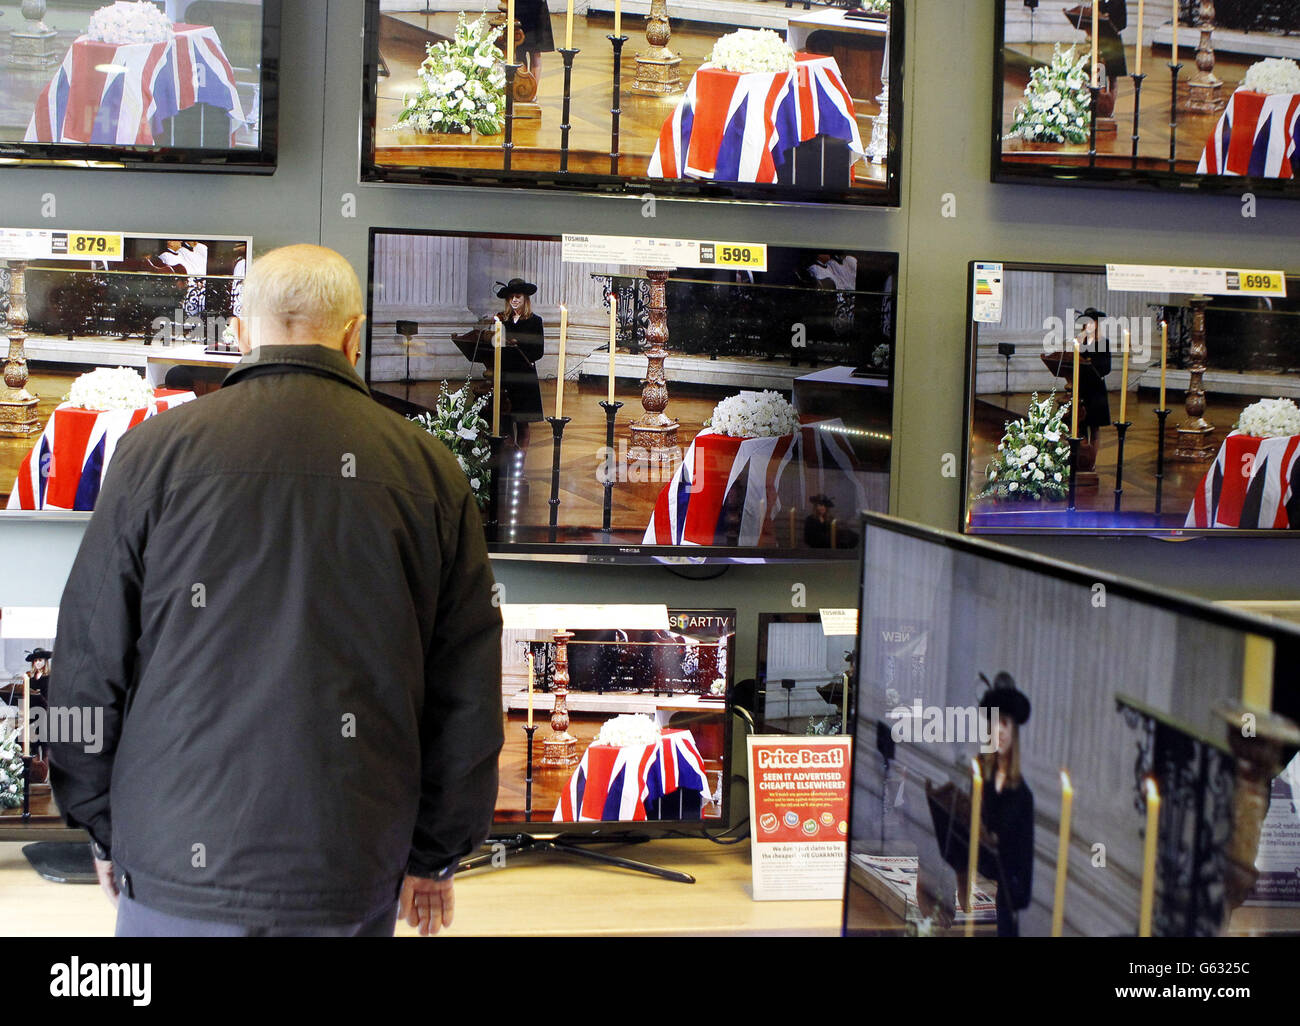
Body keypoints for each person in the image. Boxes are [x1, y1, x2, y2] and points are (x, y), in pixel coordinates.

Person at [49, 244, 504, 937]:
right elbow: (468, 688)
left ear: (239, 332)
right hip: (349, 868)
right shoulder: (430, 471)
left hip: (174, 865)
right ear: (353, 336)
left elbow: (84, 661)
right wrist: (436, 854)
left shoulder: (150, 454)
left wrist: (104, 828)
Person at [976, 673, 1034, 938]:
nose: (999, 731)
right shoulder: (980, 780)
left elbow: (1023, 875)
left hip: (1000, 911)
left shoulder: (1022, 797)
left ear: (1014, 732)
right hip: (973, 900)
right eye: (994, 724)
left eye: (1005, 724)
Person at [495, 277, 546, 453]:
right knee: (506, 421)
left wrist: (519, 344)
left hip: (525, 378)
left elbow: (538, 352)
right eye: (511, 297)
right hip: (506, 377)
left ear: (525, 298)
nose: (514, 300)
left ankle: (520, 464)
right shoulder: (503, 320)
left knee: (523, 425)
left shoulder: (535, 321)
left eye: (518, 296)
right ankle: (509, 459)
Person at [1074, 307, 1112, 454]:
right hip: (1082, 387)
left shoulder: (1103, 342)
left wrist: (1091, 364)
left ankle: (1092, 461)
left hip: (1096, 389)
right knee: (1081, 425)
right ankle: (1083, 459)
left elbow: (1106, 367)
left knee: (1095, 427)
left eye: (1092, 323)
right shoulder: (1079, 342)